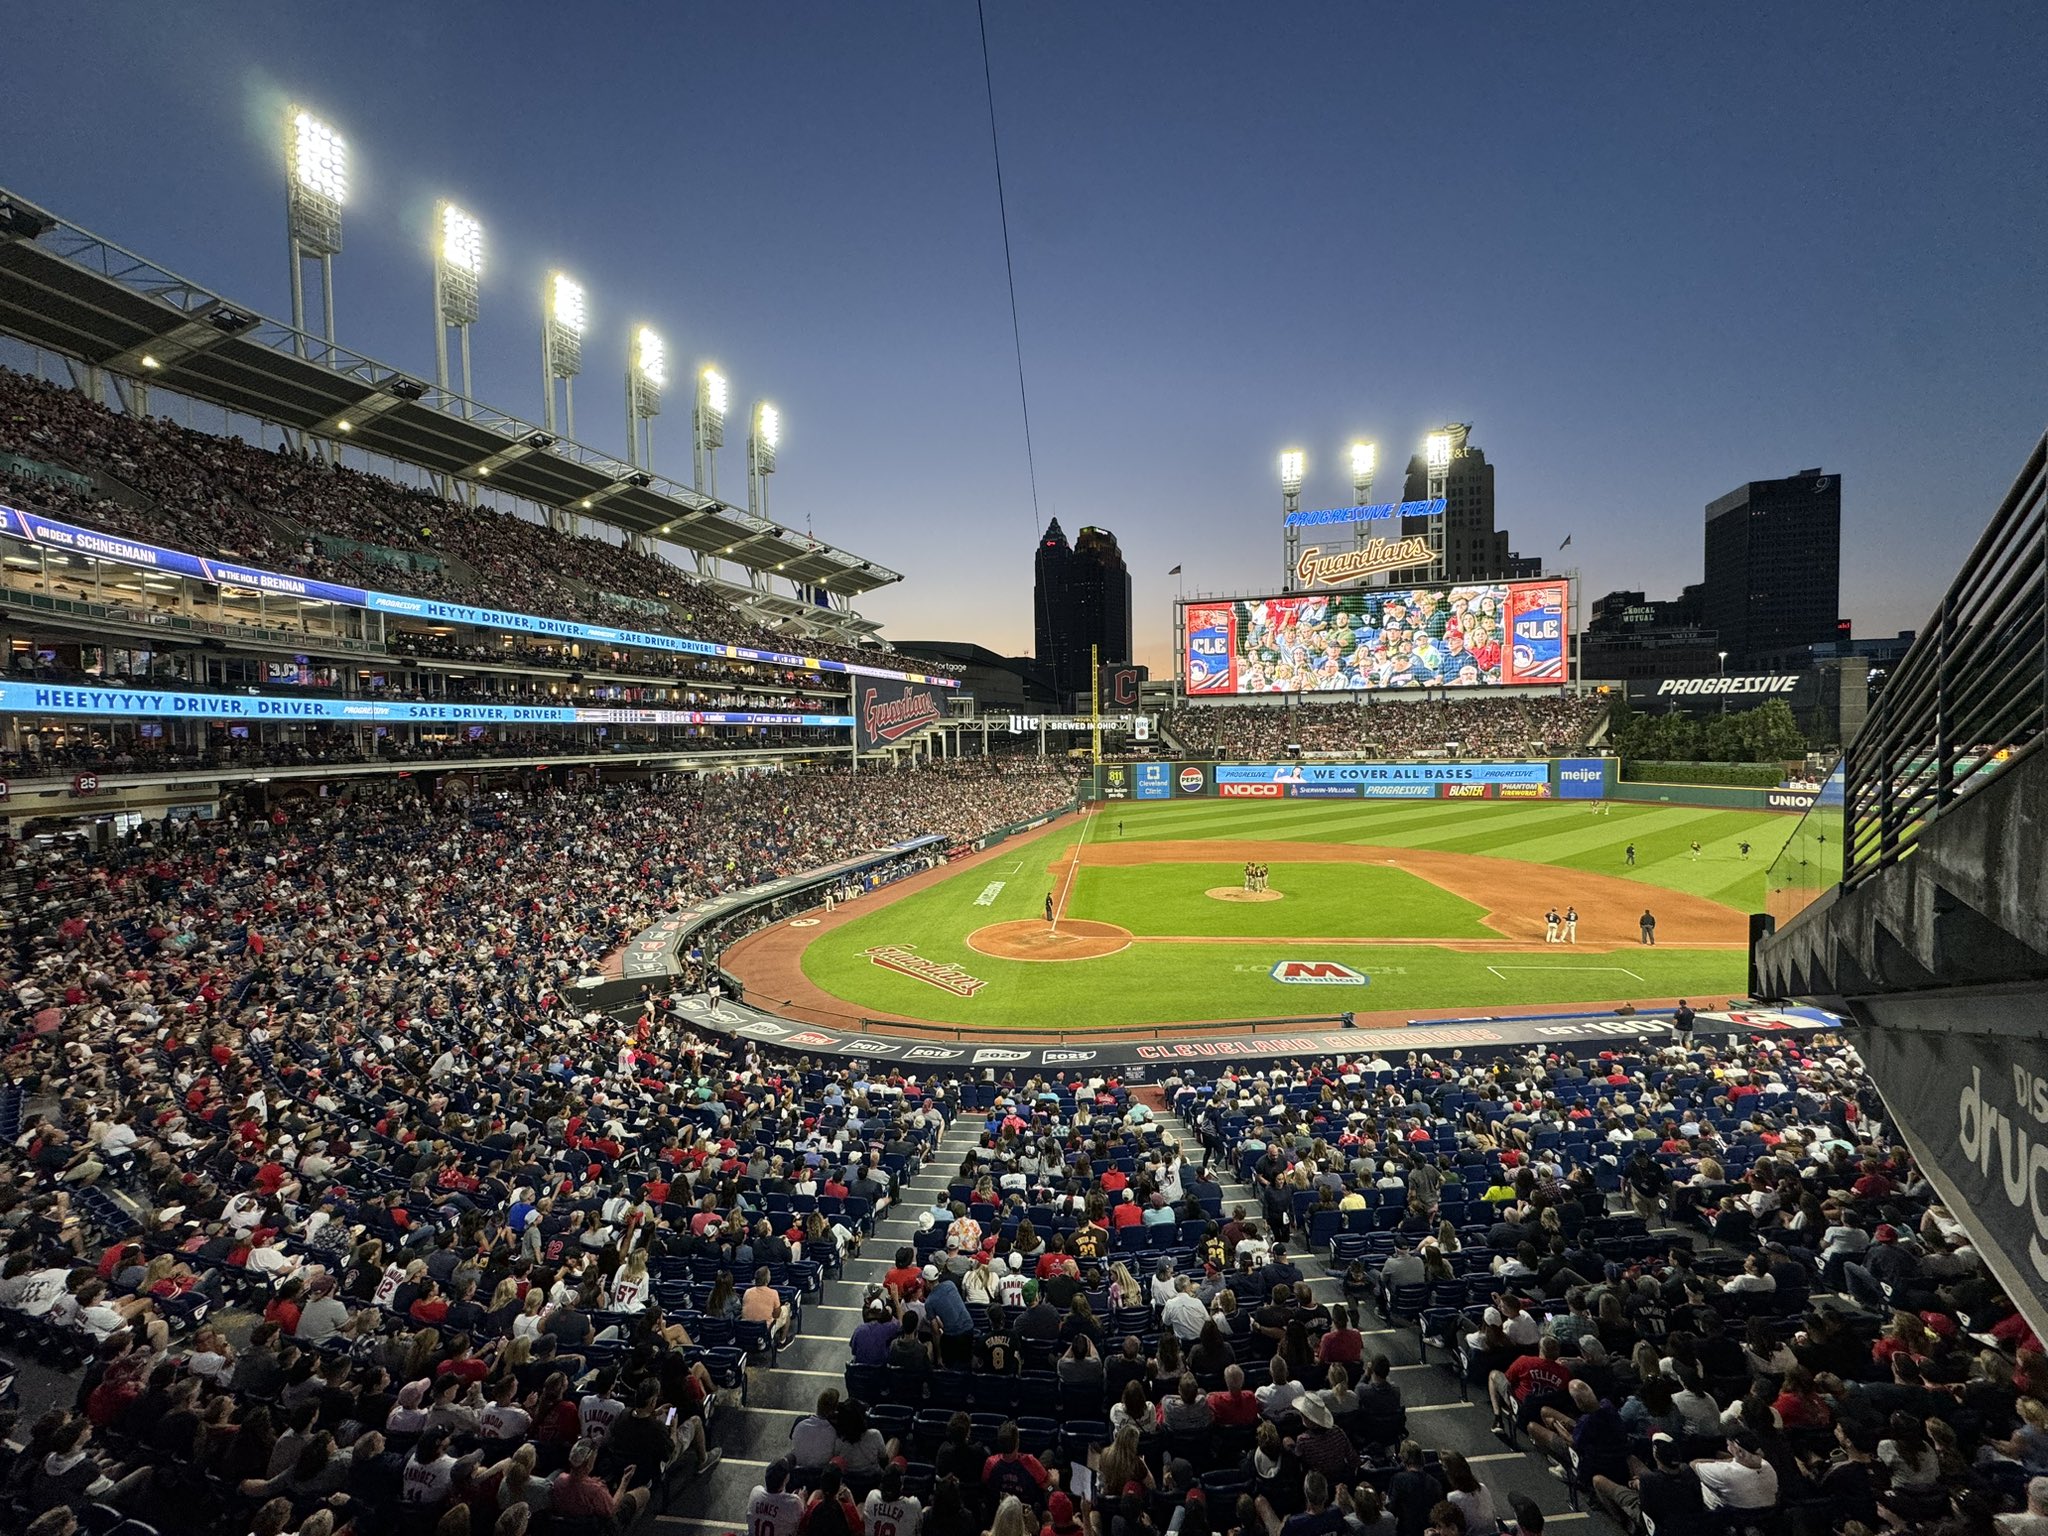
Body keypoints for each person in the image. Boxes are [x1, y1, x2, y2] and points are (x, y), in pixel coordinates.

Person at [750, 1461, 805, 1536]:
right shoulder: (794, 1502)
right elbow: (802, 1523)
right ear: (786, 1479)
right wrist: (802, 1500)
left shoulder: (755, 1492)